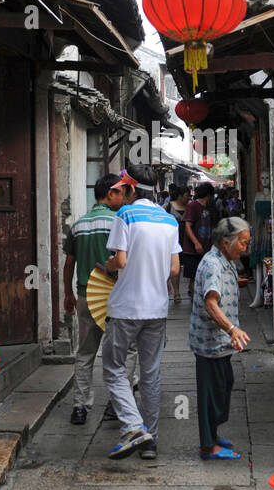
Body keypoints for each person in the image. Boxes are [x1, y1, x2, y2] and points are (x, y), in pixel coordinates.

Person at [102, 162, 181, 460]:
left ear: (131, 189)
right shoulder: (169, 220)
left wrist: (110, 265)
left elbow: (119, 261)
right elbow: (174, 269)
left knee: (114, 368)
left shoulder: (126, 214)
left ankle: (134, 428)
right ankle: (151, 441)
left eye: (122, 188)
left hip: (126, 308)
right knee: (151, 374)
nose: (121, 192)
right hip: (157, 309)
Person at [62, 174, 128, 425]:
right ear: (110, 193)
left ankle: (80, 407)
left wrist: (68, 292)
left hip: (85, 296)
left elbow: (69, 264)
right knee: (120, 353)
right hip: (115, 297)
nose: (124, 198)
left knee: (85, 353)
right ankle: (116, 404)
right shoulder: (119, 222)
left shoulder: (78, 225)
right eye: (121, 192)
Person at [189, 217, 252, 460]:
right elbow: (210, 302)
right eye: (243, 243)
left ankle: (212, 435)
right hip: (210, 342)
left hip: (219, 343)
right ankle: (207, 445)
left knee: (222, 386)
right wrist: (232, 329)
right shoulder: (214, 264)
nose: (245, 247)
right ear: (226, 242)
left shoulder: (223, 260)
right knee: (210, 394)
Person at [181, 181, 215, 300]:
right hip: (193, 249)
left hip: (206, 248)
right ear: (208, 195)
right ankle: (194, 298)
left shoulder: (209, 207)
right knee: (193, 276)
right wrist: (196, 243)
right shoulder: (193, 206)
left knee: (204, 274)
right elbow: (187, 226)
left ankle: (200, 297)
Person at [165, 184, 189, 303]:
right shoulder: (168, 206)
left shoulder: (190, 207)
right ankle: (176, 292)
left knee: (189, 266)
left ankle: (190, 287)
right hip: (173, 240)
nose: (188, 198)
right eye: (186, 196)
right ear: (180, 196)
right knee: (176, 266)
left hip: (188, 239)